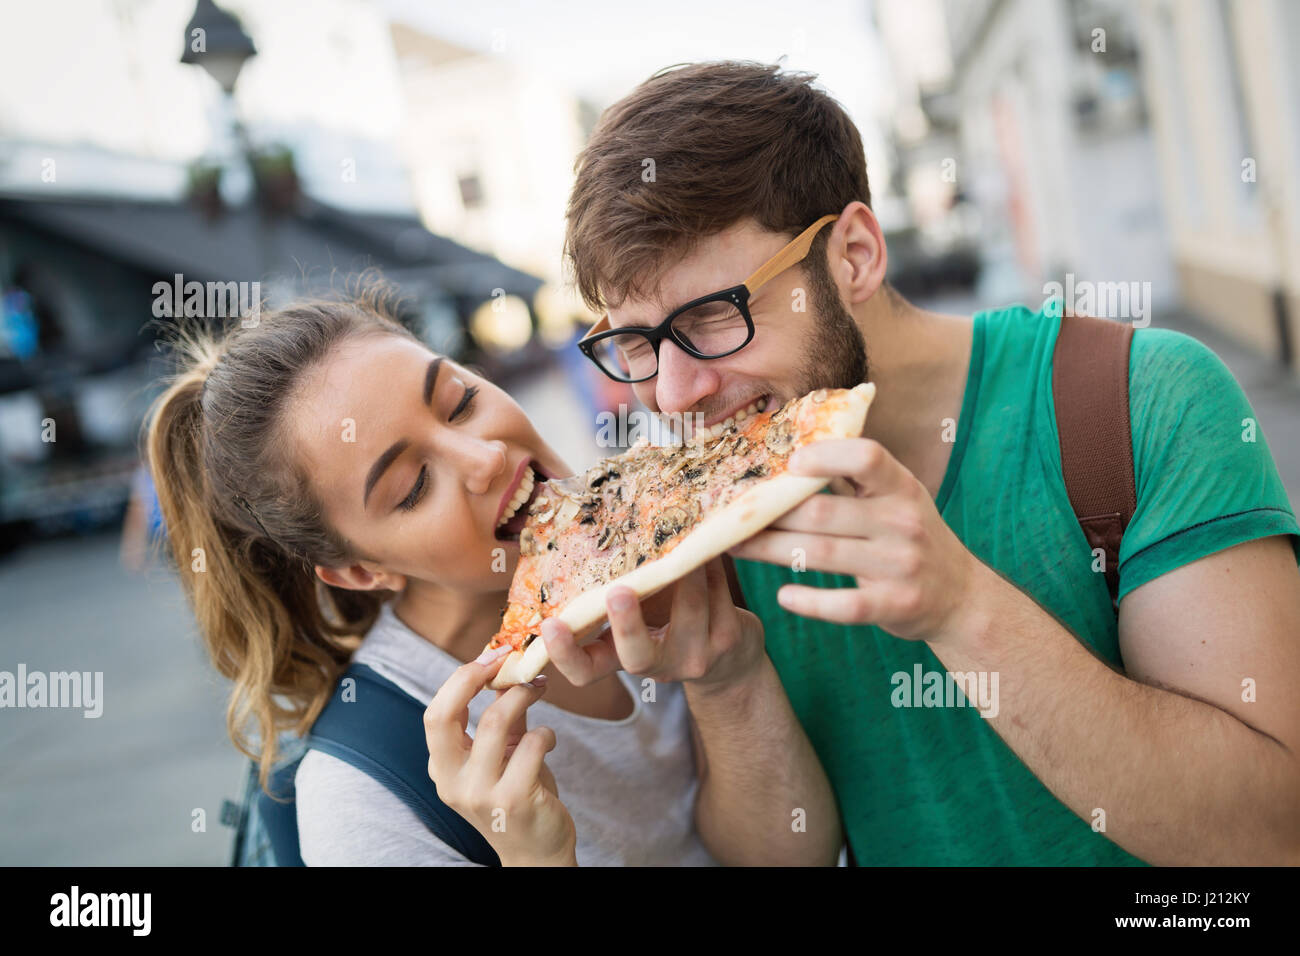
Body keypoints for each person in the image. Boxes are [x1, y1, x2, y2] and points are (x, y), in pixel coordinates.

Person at [543, 61, 1300, 865]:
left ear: (856, 255)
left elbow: (1270, 831)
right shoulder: (714, 527)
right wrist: (726, 683)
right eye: (635, 343)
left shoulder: (1139, 396)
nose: (671, 395)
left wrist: (961, 608)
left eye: (709, 318)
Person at [143, 288, 734, 865]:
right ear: (360, 571)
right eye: (414, 487)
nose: (486, 458)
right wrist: (536, 858)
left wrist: (728, 677)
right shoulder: (360, 805)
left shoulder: (669, 541)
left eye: (461, 402)